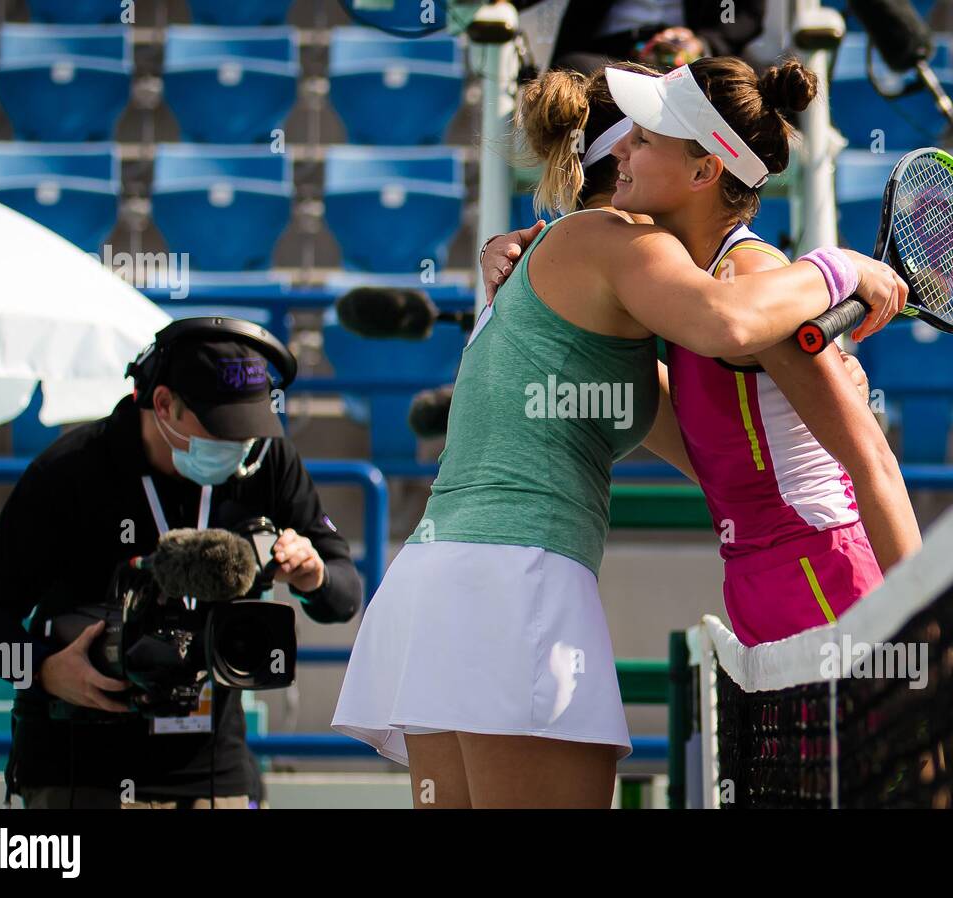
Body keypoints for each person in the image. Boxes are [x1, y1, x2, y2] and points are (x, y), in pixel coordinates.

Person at [332, 58, 906, 808]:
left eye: (649, 135)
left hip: (445, 582)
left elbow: (743, 454)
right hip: (515, 584)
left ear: (702, 167)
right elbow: (725, 320)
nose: (633, 149)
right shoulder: (619, 247)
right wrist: (838, 268)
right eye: (629, 136)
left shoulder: (589, 286)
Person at [483, 60, 922, 646]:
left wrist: (926, 635)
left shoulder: (751, 273)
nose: (621, 154)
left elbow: (874, 464)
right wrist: (521, 248)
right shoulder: (688, 289)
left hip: (822, 569)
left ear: (703, 170)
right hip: (759, 575)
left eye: (642, 140)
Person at [0, 318, 362, 809]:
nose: (237, 446)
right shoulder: (70, 470)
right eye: (220, 427)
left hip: (216, 771)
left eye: (249, 429)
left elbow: (344, 595)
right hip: (79, 771)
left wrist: (313, 574)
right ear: (165, 403)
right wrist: (44, 670)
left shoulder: (267, 460)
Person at [515, 0, 766, 73]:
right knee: (574, 73)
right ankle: (597, 198)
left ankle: (732, 198)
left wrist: (702, 43)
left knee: (751, 83)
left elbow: (744, 12)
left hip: (693, 56)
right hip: (607, 54)